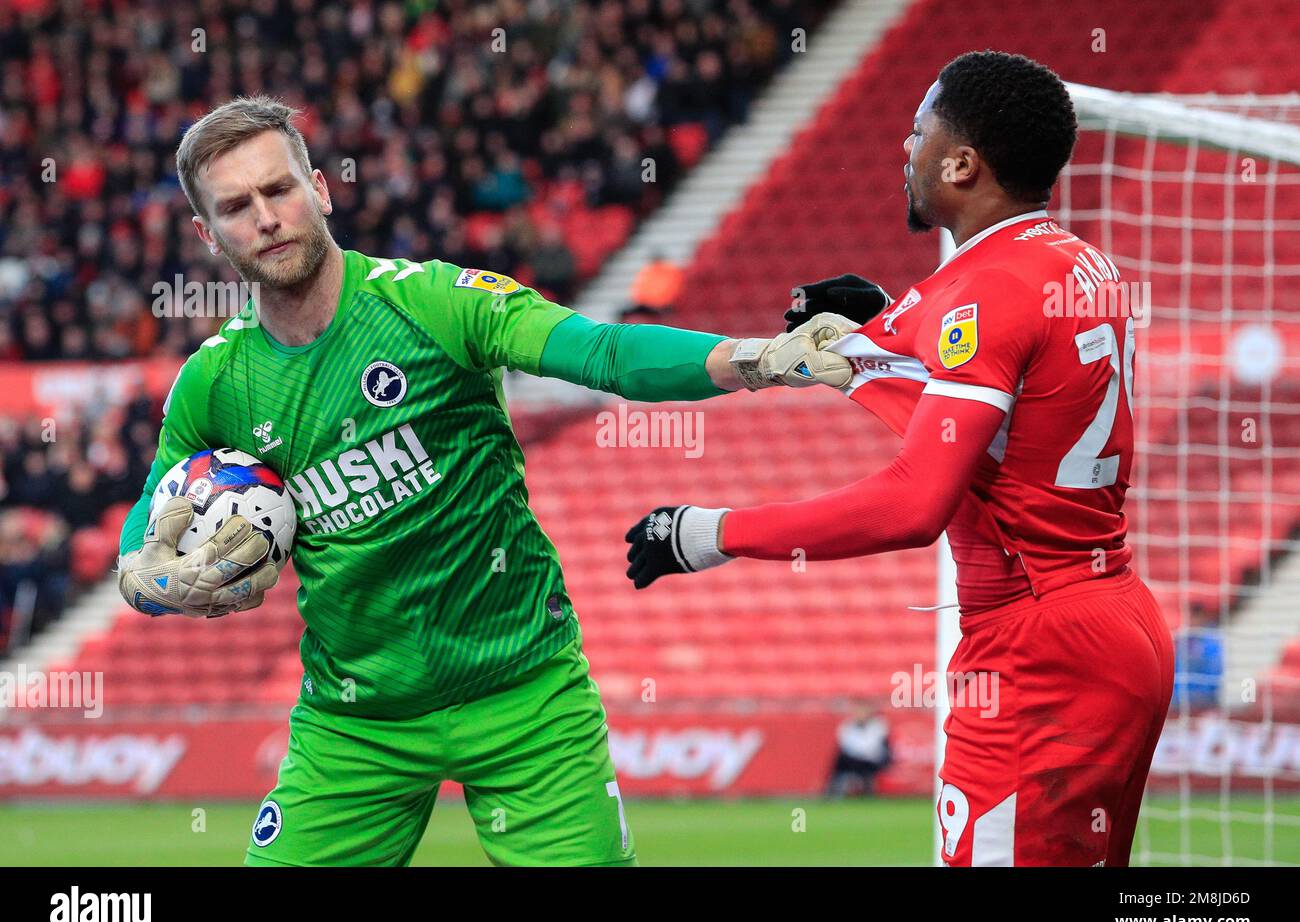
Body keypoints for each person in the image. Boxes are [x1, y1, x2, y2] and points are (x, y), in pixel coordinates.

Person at [114, 95, 856, 867]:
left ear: (321, 189)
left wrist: (757, 359)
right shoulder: (217, 381)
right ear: (207, 235)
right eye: (236, 206)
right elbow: (154, 505)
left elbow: (603, 352)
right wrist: (142, 574)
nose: (266, 217)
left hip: (525, 695)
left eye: (279, 189)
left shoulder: (432, 302)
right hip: (355, 721)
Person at [624, 51, 1175, 867]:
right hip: (1116, 615)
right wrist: (882, 328)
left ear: (961, 163)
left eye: (919, 132)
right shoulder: (1075, 265)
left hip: (1038, 645)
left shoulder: (986, 291)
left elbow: (916, 503)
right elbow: (1006, 410)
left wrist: (713, 533)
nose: (904, 149)